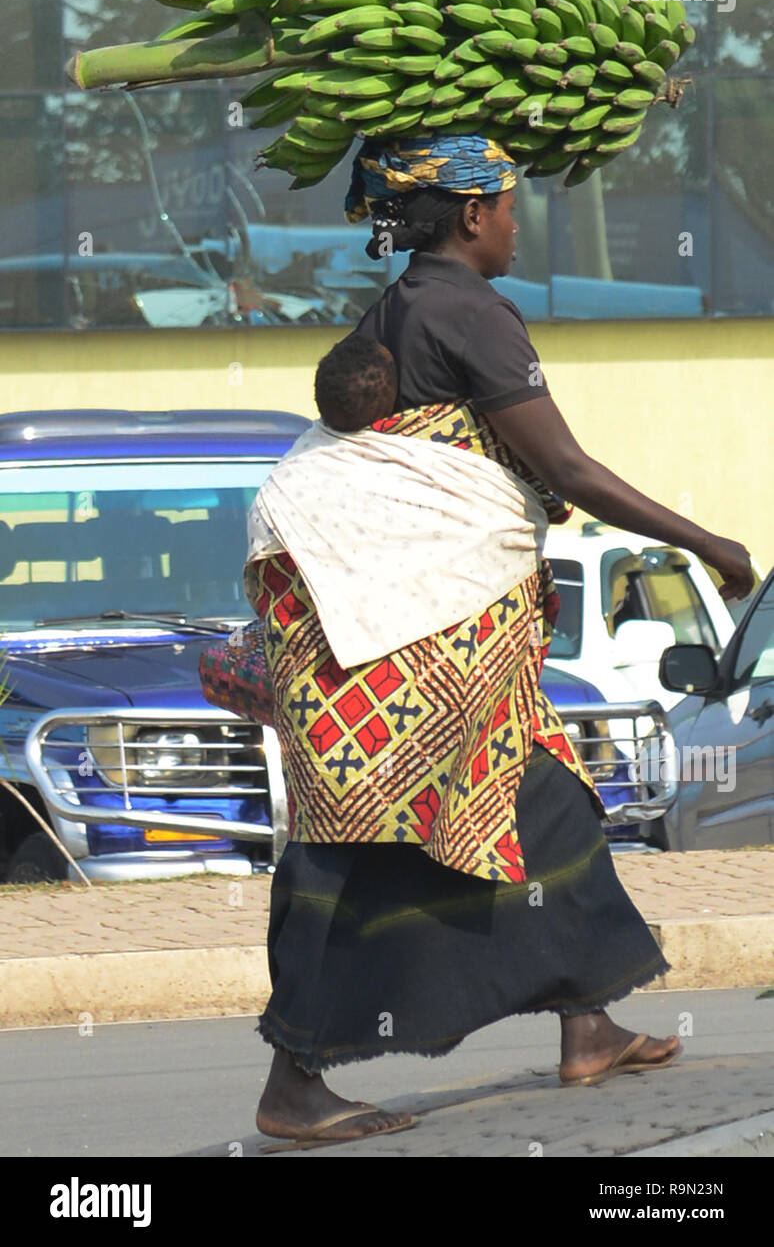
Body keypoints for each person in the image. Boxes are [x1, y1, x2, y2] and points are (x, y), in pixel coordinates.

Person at [237, 133, 754, 1150]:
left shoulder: (394, 306)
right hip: (407, 631)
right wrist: (706, 539)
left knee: (542, 795)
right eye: (511, 207)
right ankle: (294, 1082)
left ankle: (588, 1020)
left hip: (428, 622)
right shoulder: (468, 310)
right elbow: (564, 461)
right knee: (356, 837)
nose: (520, 222)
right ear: (471, 216)